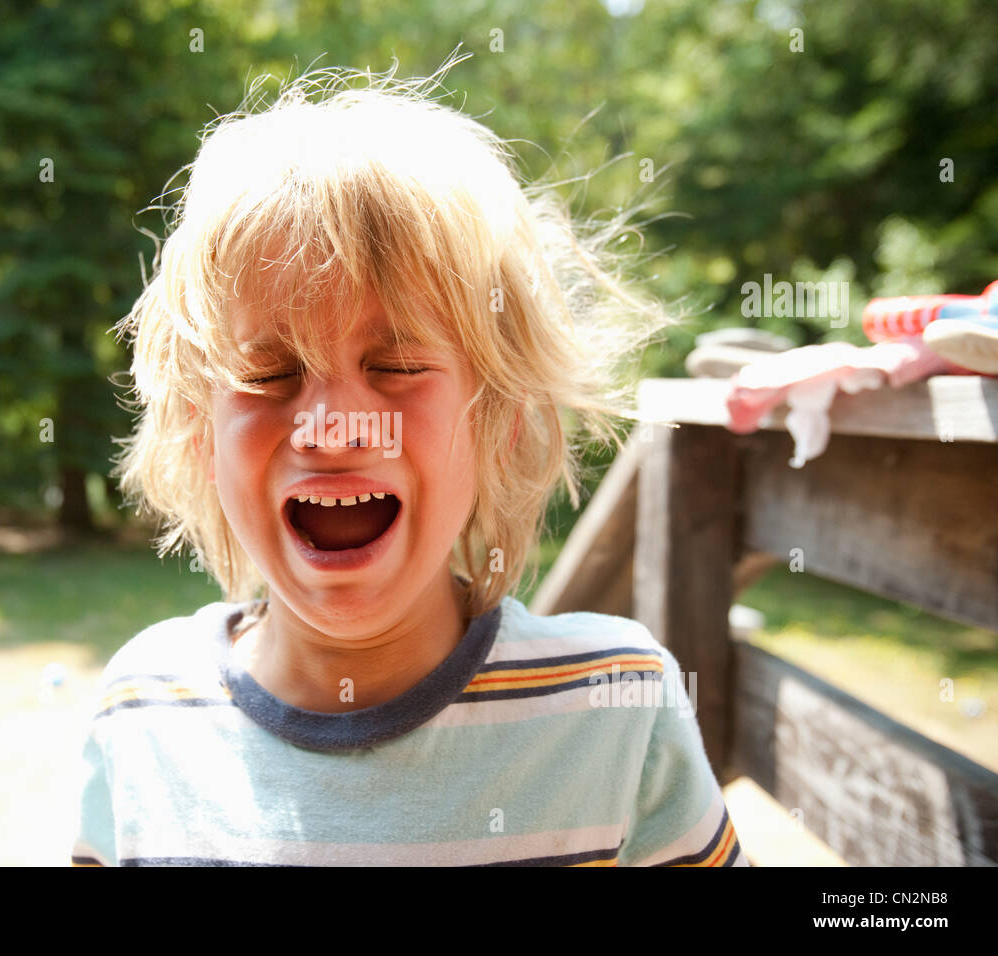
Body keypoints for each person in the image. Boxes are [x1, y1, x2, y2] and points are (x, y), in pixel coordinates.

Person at [72, 53, 747, 867]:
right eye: (266, 374)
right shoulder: (141, 713)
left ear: (499, 417)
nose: (334, 428)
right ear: (196, 427)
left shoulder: (615, 711)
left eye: (395, 367)